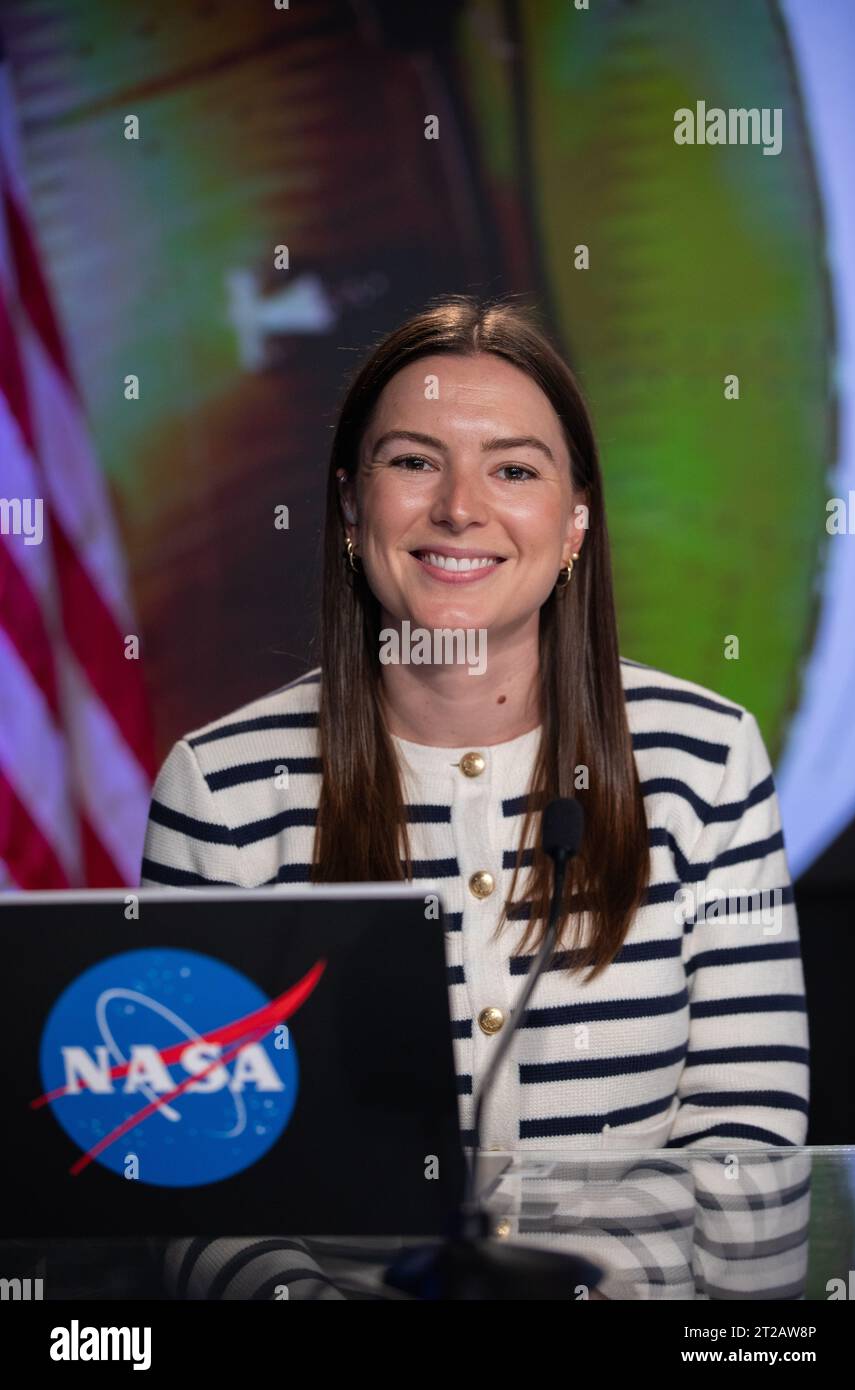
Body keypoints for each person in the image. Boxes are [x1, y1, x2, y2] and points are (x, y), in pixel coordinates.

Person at [140, 294, 809, 1298]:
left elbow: (750, 1151)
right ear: (349, 506)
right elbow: (191, 1187)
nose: (459, 506)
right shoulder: (221, 788)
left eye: (512, 468)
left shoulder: (704, 758)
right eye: (412, 460)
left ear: (574, 520)